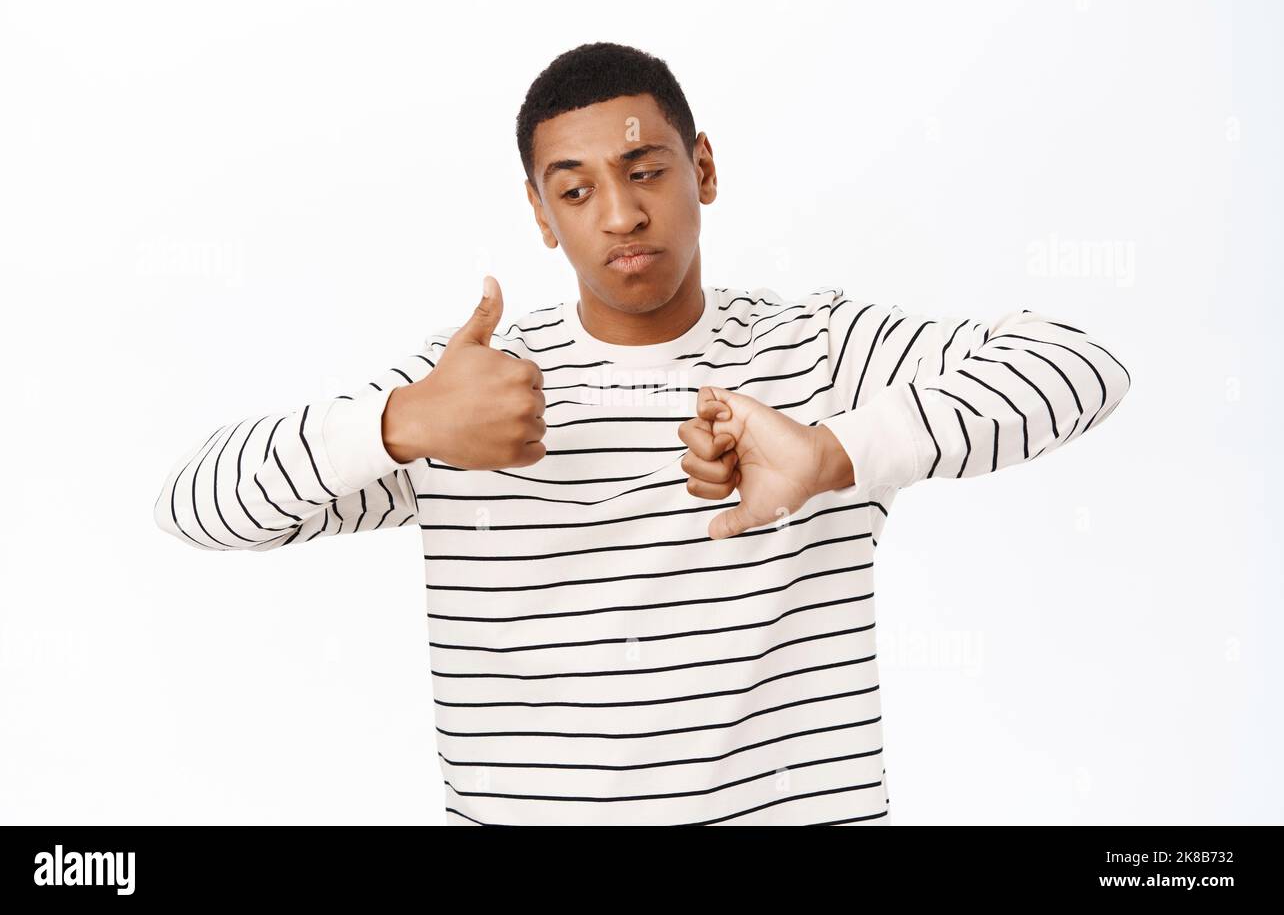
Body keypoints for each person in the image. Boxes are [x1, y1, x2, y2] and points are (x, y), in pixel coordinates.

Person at [154, 41, 1131, 825]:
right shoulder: (472, 394)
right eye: (574, 189)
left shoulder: (821, 350)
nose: (620, 212)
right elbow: (197, 506)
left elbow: (1081, 366)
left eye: (644, 168)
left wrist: (831, 451)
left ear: (701, 168)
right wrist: (402, 422)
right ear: (540, 216)